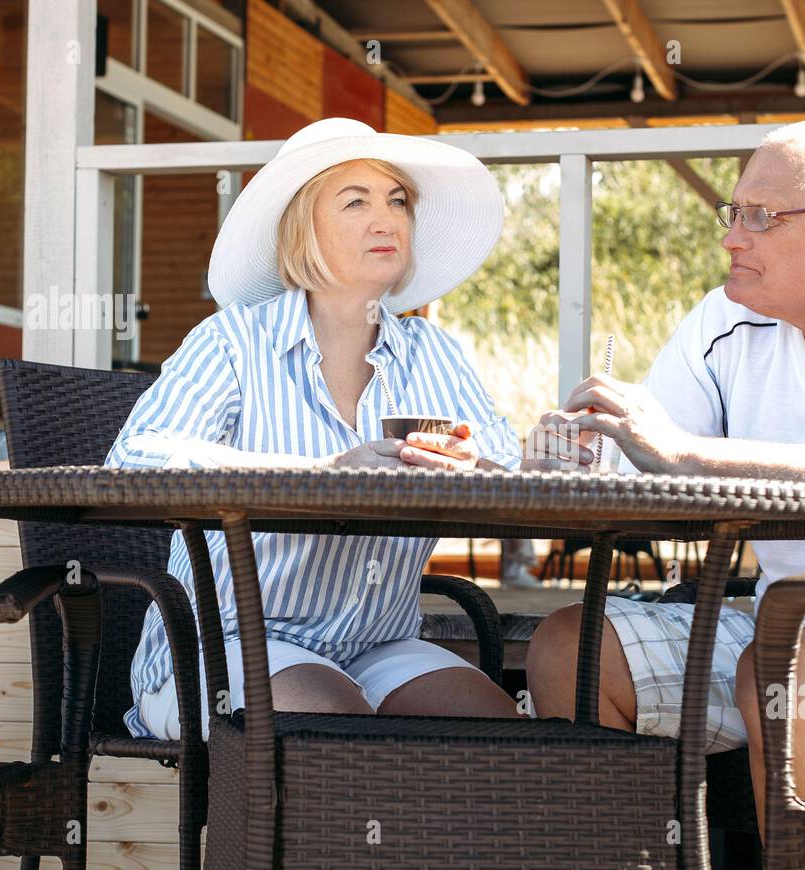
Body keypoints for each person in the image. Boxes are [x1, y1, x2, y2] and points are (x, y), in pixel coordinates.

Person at [524, 120, 805, 836]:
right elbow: (643, 458)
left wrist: (687, 453)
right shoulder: (725, 321)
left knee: (782, 672)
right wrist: (572, 451)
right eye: (733, 214)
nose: (734, 237)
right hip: (779, 630)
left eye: (764, 217)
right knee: (567, 649)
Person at [105, 117, 520, 740]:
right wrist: (323, 474)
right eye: (356, 202)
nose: (387, 220)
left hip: (376, 644)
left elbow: (507, 470)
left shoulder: (432, 351)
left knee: (496, 731)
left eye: (398, 201)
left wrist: (483, 467)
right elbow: (135, 459)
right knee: (331, 722)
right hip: (228, 646)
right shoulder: (233, 341)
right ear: (304, 230)